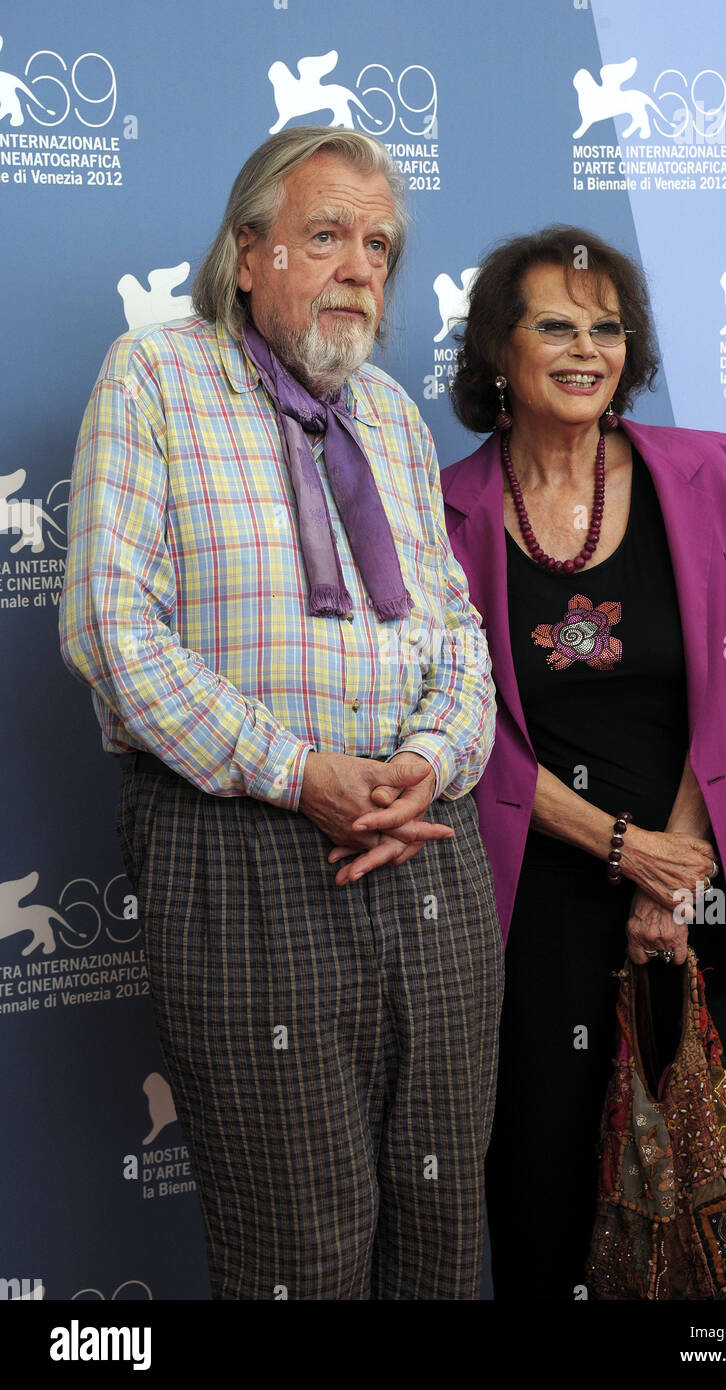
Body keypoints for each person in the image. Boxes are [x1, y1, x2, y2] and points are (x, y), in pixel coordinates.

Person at [59, 127, 504, 1301]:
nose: (360, 268)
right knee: (295, 1254)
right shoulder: (153, 377)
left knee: (448, 1238)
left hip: (425, 847)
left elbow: (456, 634)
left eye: (378, 247)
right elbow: (111, 630)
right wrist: (300, 769)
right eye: (325, 237)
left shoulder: (398, 422)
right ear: (247, 254)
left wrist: (422, 759)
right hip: (243, 847)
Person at [440, 225, 726, 1302]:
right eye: (555, 325)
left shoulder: (710, 472)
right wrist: (624, 850)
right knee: (548, 1194)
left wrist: (675, 869)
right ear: (496, 351)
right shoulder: (439, 509)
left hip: (700, 887)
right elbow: (460, 732)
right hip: (535, 897)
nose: (587, 349)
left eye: (608, 328)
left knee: (722, 1183)